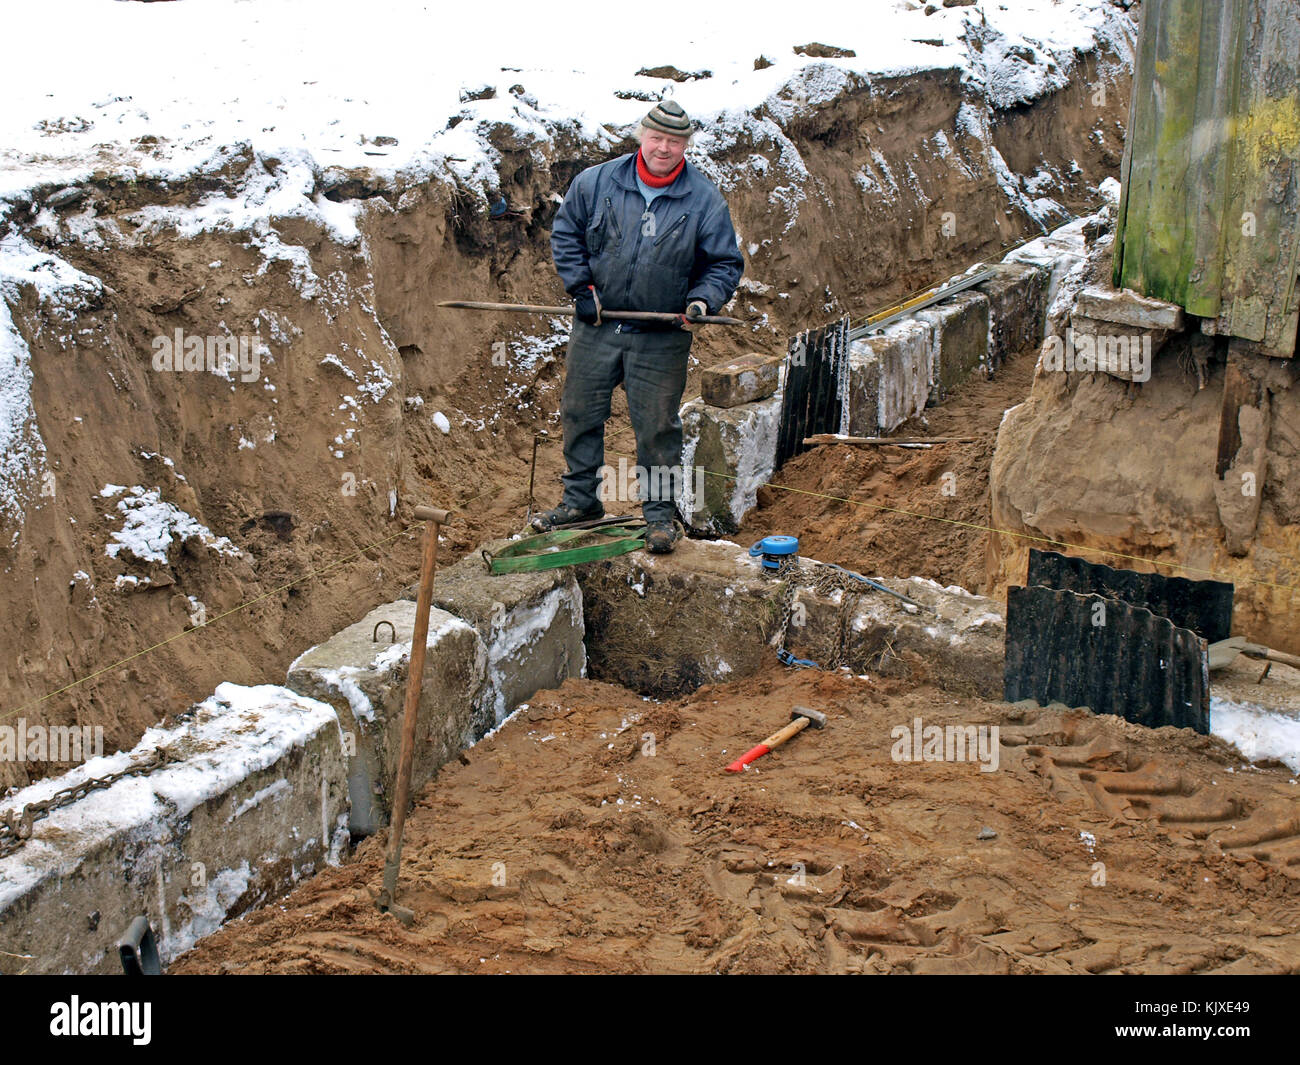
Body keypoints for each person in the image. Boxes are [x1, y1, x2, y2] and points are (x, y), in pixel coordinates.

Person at [540, 99, 744, 553]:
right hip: (598, 326)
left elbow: (724, 263)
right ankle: (580, 503)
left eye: (674, 141)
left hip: (661, 336)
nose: (664, 148)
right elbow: (567, 233)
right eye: (657, 138)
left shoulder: (704, 199)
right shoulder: (595, 183)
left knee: (656, 428)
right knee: (580, 415)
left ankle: (658, 515)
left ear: (686, 146)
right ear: (641, 137)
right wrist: (581, 289)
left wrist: (702, 300)